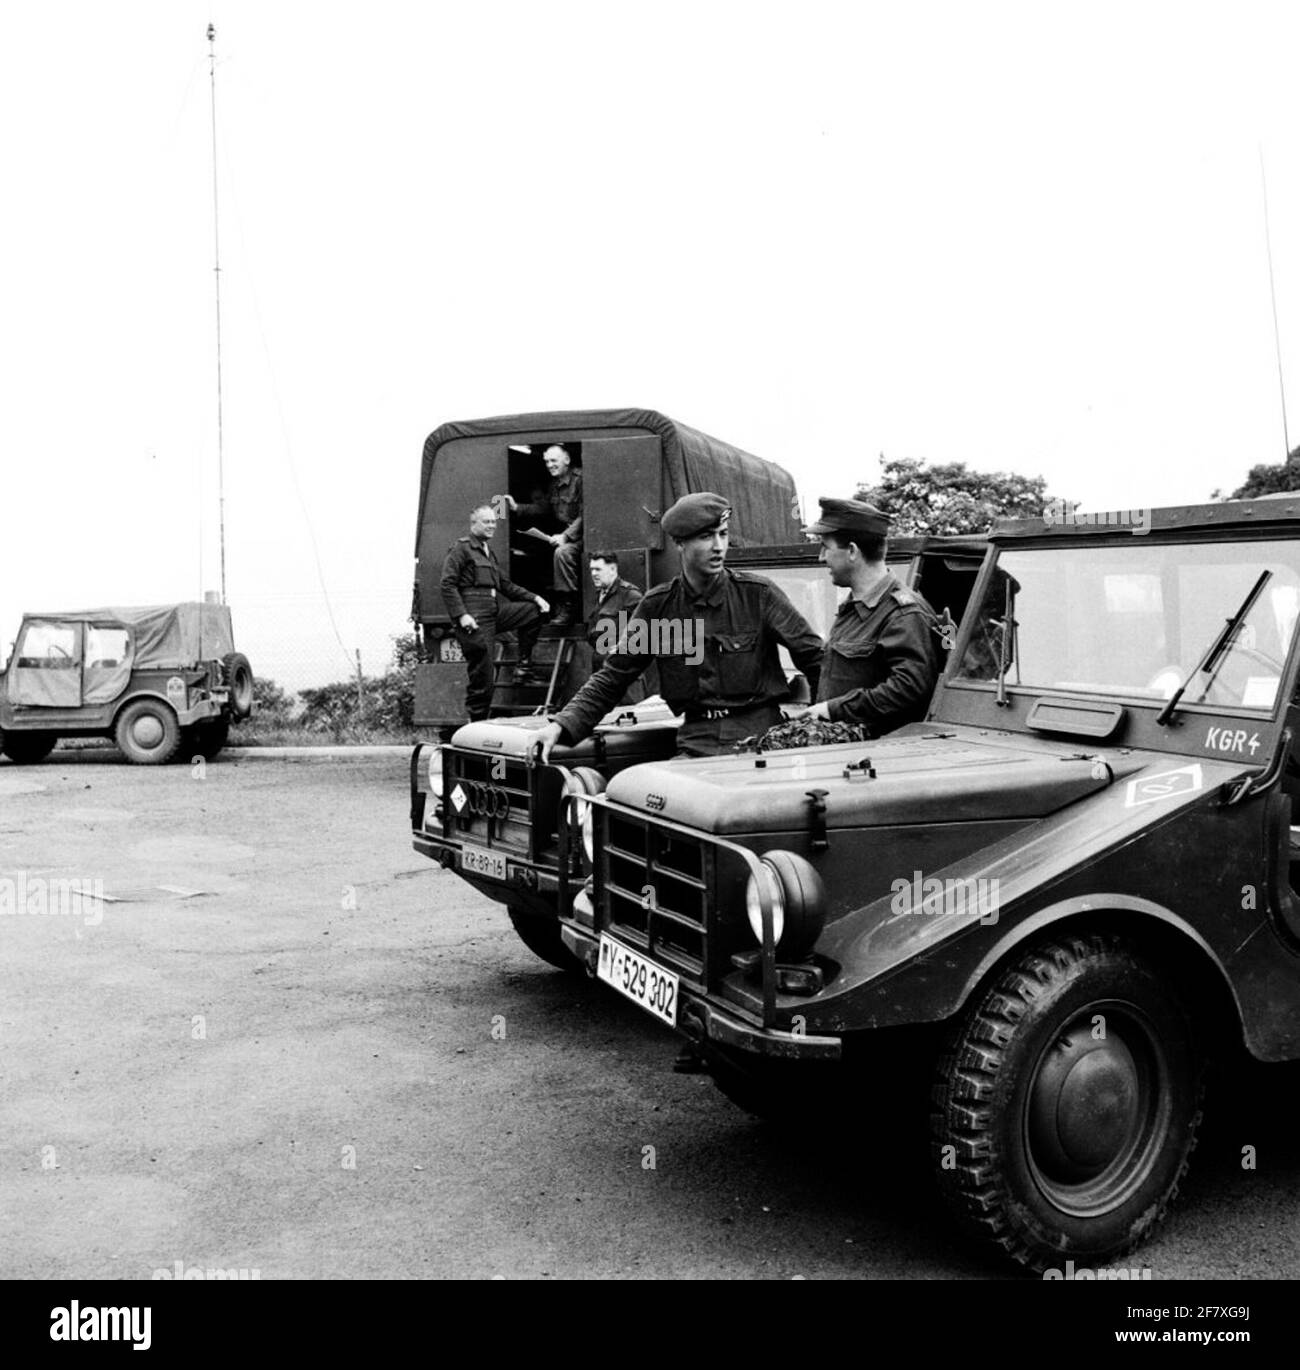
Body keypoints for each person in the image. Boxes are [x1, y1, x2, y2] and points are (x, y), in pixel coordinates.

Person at [535, 492, 823, 761]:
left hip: (762, 744)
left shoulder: (757, 594)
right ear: (680, 543)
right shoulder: (660, 607)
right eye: (706, 537)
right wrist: (562, 724)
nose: (718, 546)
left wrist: (827, 719)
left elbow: (814, 657)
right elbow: (614, 676)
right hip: (696, 742)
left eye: (723, 535)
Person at [798, 497, 942, 735]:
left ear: (852, 551)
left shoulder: (903, 613)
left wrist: (834, 710)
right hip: (844, 752)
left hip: (877, 760)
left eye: (826, 546)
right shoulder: (854, 608)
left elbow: (910, 688)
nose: (821, 557)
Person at [440, 504, 550, 722]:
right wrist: (462, 615)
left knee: (531, 611)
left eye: (493, 522)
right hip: (474, 618)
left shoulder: (488, 553)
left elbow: (506, 586)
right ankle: (477, 725)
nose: (492, 526)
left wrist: (536, 598)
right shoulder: (461, 549)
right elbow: (447, 585)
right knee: (483, 678)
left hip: (492, 613)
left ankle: (523, 667)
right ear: (474, 525)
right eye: (486, 522)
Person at [502, 444, 584, 626]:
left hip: (584, 535)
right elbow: (544, 508)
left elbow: (586, 513)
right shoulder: (554, 484)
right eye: (546, 461)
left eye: (553, 460)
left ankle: (567, 608)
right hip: (565, 535)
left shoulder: (580, 479)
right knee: (538, 555)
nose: (549, 465)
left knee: (562, 553)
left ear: (567, 460)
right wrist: (517, 508)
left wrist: (566, 536)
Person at [586, 551, 644, 670]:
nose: (593, 574)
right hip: (600, 666)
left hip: (620, 669)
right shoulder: (600, 594)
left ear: (612, 569)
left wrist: (622, 649)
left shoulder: (630, 595)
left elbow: (643, 632)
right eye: (592, 569)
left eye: (598, 569)